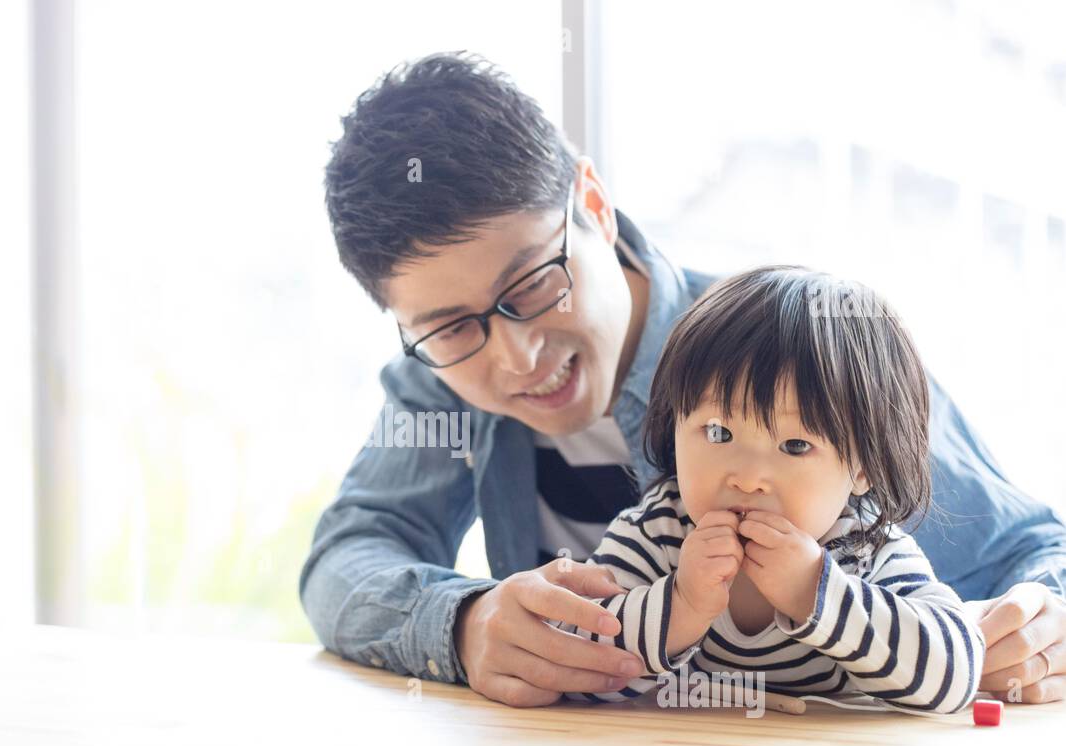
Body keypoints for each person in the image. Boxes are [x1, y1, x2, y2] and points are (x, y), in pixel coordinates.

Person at [301, 52, 1066, 708]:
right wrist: (461, 625)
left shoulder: (794, 356)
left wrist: (1037, 622)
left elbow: (1038, 555)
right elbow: (349, 555)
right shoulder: (447, 376)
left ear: (593, 206)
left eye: (532, 283)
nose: (515, 357)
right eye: (451, 325)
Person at [557, 265, 982, 714]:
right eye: (718, 432)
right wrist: (680, 607)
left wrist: (813, 592)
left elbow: (955, 674)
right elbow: (569, 660)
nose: (748, 477)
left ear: (862, 467)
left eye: (795, 445)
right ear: (673, 424)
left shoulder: (863, 549)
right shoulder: (659, 532)